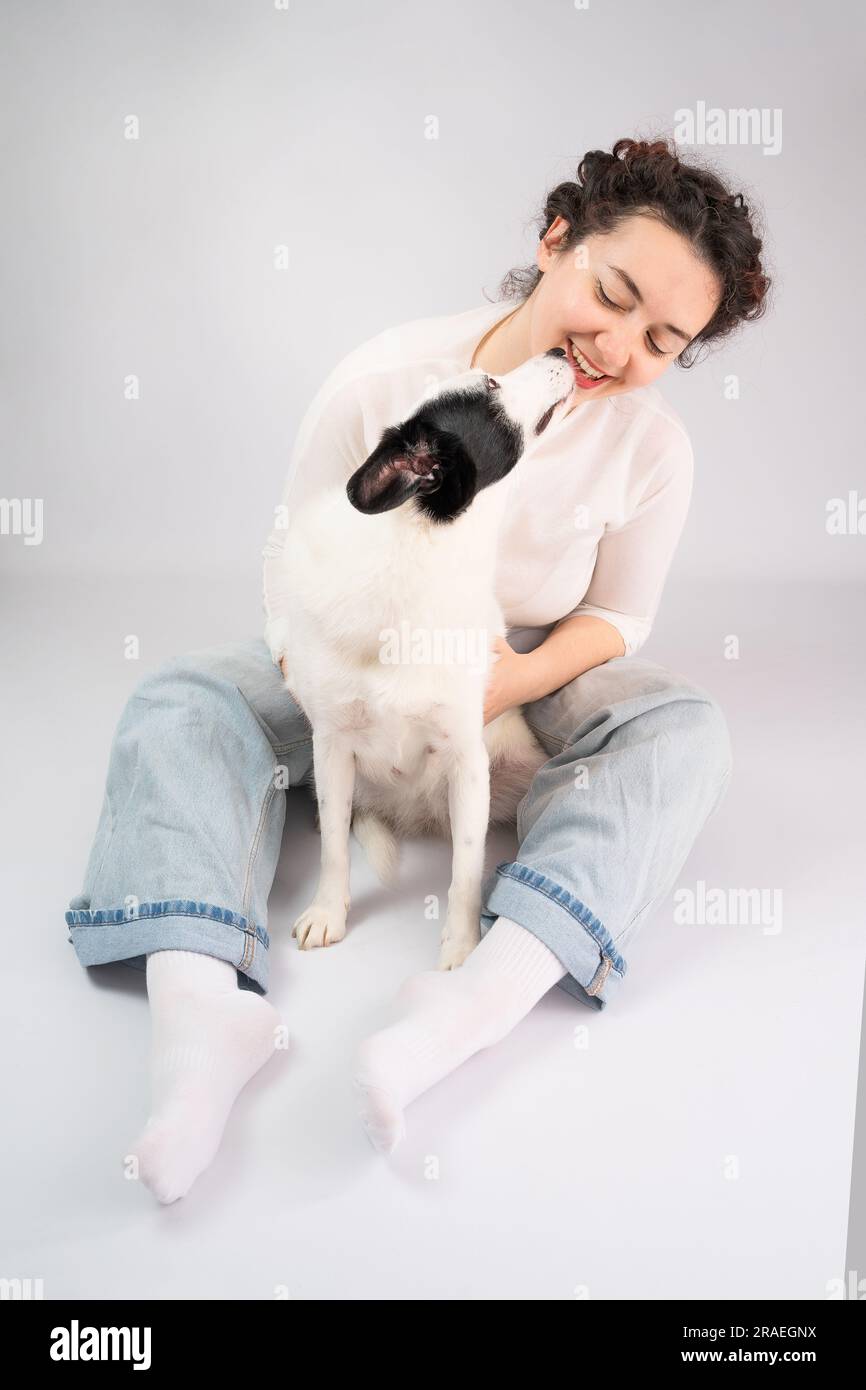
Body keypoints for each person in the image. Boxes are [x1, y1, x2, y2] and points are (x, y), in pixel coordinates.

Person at [65, 137, 771, 1201]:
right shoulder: (388, 378)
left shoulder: (650, 448)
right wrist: (346, 684)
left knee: (682, 725)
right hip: (363, 663)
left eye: (662, 338)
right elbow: (293, 557)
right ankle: (199, 1007)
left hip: (516, 664)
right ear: (554, 241)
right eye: (611, 293)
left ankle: (481, 991)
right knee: (184, 699)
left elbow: (616, 615)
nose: (616, 345)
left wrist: (499, 685)